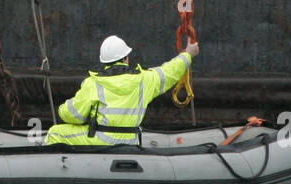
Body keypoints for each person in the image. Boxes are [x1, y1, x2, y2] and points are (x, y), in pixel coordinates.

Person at [45, 35, 199, 146]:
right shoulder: (144, 80)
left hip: (101, 139)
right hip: (131, 141)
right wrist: (188, 54)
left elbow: (73, 116)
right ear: (126, 58)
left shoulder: (94, 83)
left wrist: (62, 109)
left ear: (104, 61)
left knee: (55, 133)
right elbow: (169, 72)